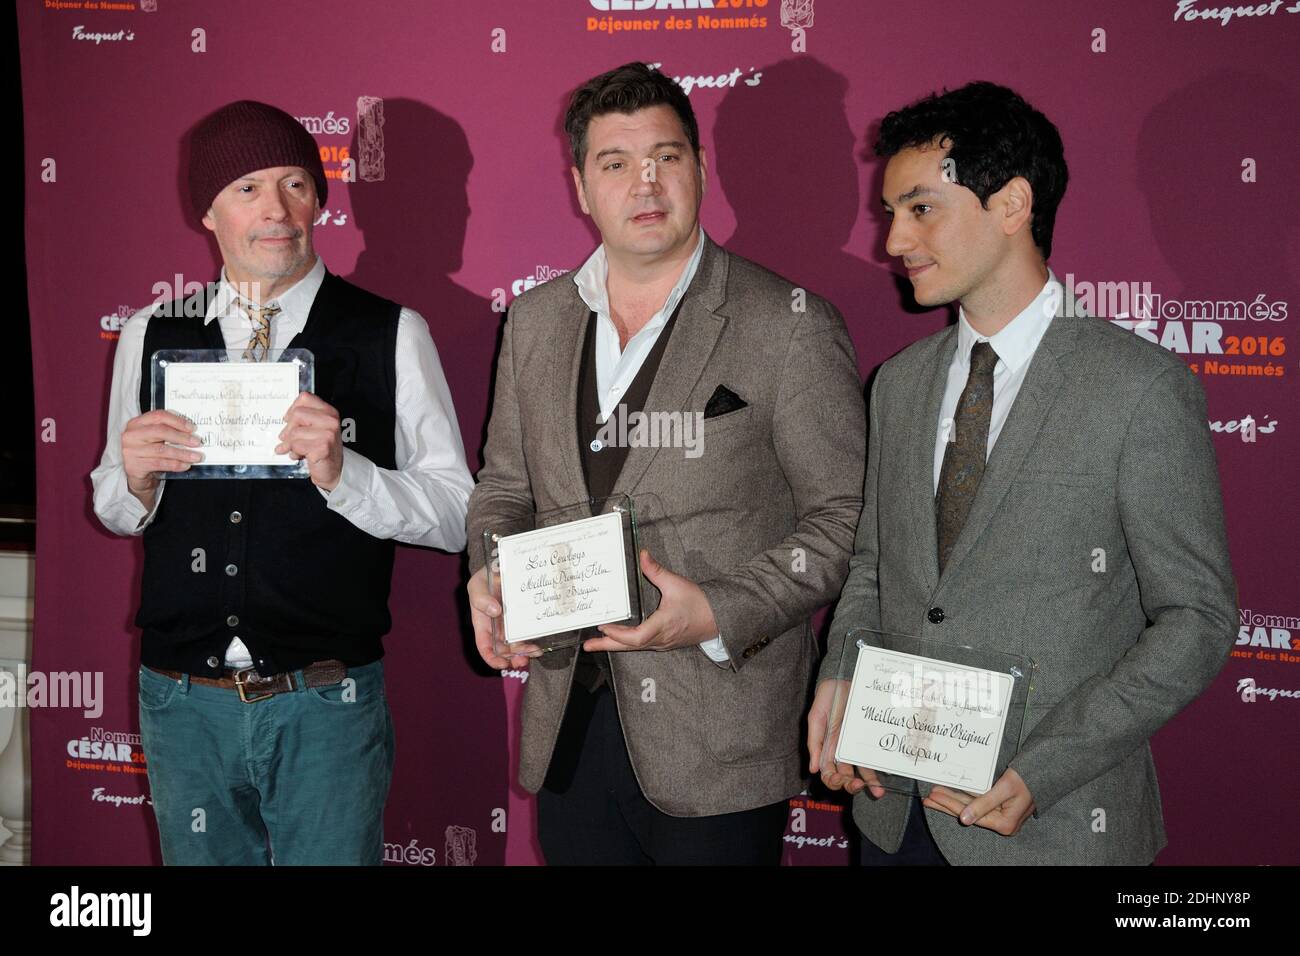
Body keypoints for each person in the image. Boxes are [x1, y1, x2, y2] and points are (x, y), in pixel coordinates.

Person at [810, 81, 1237, 865]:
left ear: (1011, 204)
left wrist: (1045, 770)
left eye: (920, 208)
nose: (893, 241)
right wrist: (841, 674)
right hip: (894, 818)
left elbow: (1197, 619)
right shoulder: (899, 383)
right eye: (890, 214)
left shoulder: (1138, 387)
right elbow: (874, 569)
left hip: (1058, 828)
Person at [465, 63, 865, 865]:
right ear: (581, 186)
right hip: (570, 728)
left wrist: (717, 611)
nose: (644, 182)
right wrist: (488, 576)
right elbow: (504, 491)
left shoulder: (787, 325)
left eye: (667, 156)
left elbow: (844, 519)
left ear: (701, 170)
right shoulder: (537, 322)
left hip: (719, 739)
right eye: (615, 162)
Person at [90, 100, 474, 865]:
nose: (276, 210)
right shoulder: (151, 333)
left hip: (325, 702)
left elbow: (459, 512)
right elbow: (111, 502)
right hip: (181, 702)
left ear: (321, 201)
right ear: (207, 211)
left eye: (296, 184)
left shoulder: (391, 332)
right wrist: (132, 478)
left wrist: (345, 474)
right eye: (247, 188)